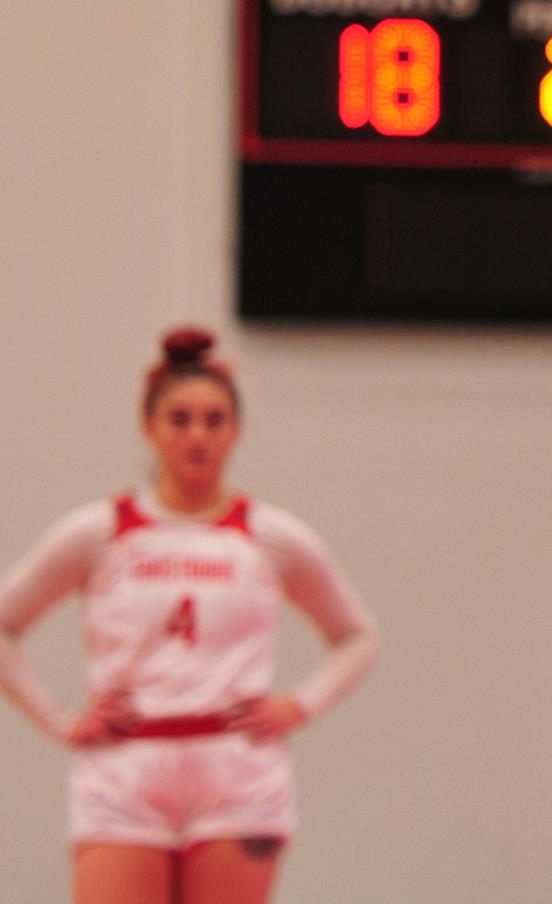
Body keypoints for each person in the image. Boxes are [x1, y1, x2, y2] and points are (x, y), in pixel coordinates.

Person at [0, 327, 377, 904]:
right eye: (180, 419)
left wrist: (299, 704)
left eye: (214, 420)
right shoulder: (102, 532)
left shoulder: (267, 536)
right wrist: (59, 720)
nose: (197, 435)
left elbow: (355, 636)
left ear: (236, 431)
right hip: (126, 773)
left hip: (235, 775)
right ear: (149, 427)